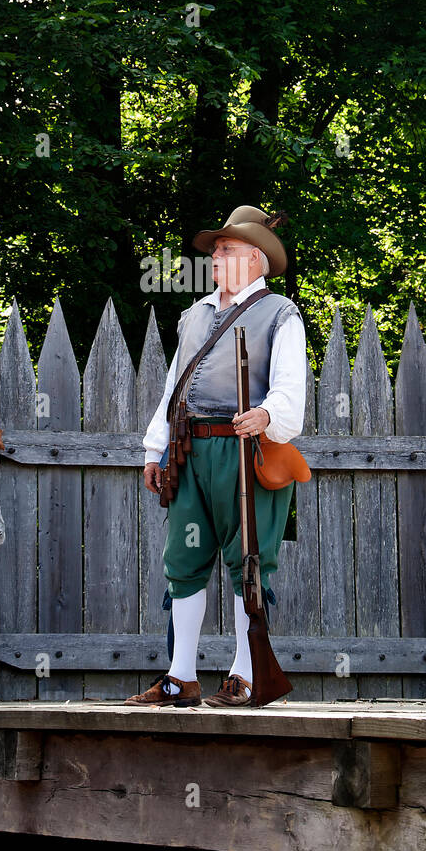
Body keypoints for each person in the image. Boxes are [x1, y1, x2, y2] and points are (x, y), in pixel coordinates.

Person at [126, 205, 307, 708]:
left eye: (226, 250)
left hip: (245, 452)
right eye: (216, 251)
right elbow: (173, 388)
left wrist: (268, 416)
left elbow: (291, 387)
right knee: (183, 563)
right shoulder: (196, 315)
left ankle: (245, 676)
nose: (216, 258)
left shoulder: (280, 314)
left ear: (255, 259)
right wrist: (155, 448)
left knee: (246, 562)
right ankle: (179, 678)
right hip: (189, 452)